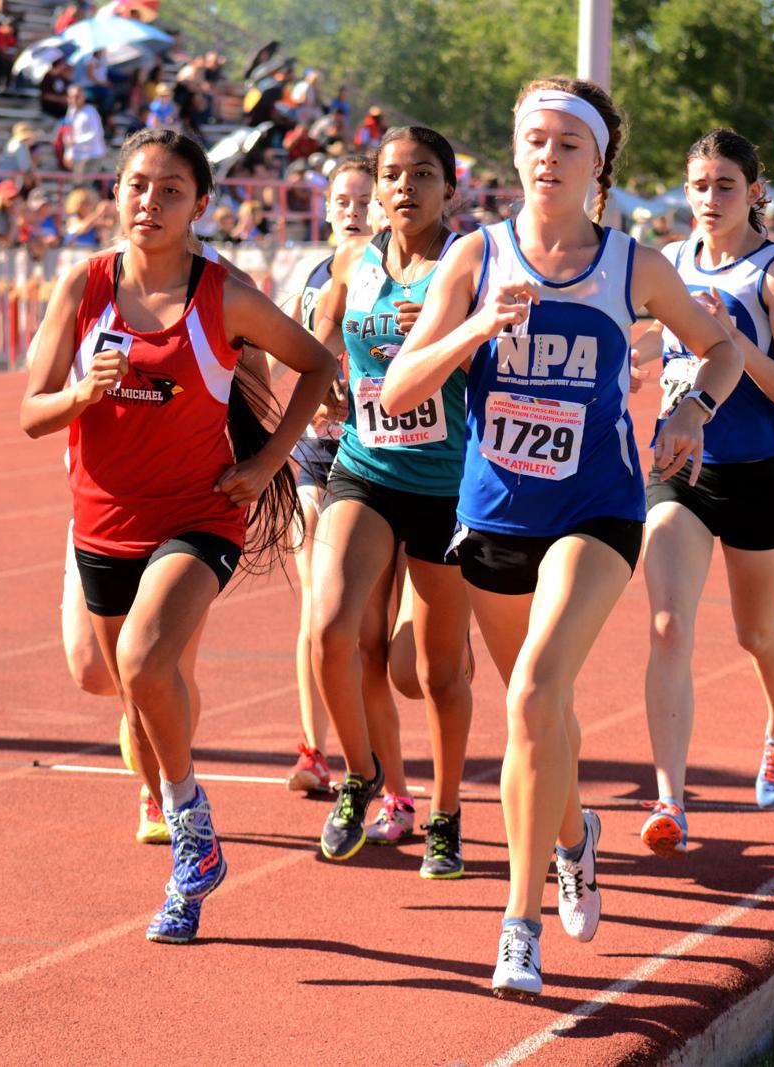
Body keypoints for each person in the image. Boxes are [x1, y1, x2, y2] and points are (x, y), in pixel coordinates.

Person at [381, 76, 742, 999]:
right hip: (496, 513)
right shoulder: (475, 255)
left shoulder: (635, 265)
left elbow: (724, 346)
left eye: (567, 145)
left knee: (536, 690)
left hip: (598, 509)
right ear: (516, 153)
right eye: (534, 142)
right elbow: (398, 392)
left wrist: (694, 409)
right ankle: (576, 833)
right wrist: (474, 329)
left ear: (598, 164)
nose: (547, 158)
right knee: (544, 717)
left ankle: (518, 926)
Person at [20, 127, 336, 944]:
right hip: (101, 521)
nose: (148, 203)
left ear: (201, 204)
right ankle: (169, 780)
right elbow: (30, 413)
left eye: (168, 190)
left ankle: (190, 832)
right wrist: (84, 395)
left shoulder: (221, 294)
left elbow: (317, 364)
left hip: (199, 515)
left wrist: (269, 461)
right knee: (107, 678)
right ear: (114, 194)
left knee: (144, 662)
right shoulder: (82, 287)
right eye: (135, 186)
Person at [632, 128, 774, 857]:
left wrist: (730, 338)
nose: (710, 199)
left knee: (754, 632)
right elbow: (656, 343)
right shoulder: (667, 262)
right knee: (669, 624)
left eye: (726, 186)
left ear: (754, 191)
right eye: (700, 184)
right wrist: (634, 354)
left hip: (757, 474)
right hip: (678, 466)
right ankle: (669, 798)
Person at [311, 126, 474, 879]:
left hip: (446, 488)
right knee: (334, 632)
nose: (405, 187)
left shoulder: (467, 264)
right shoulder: (353, 261)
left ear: (451, 189)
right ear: (375, 190)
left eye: (422, 174)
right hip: (365, 467)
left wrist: (445, 334)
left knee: (440, 673)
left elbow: (506, 349)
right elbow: (319, 348)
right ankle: (360, 774)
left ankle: (444, 815)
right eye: (392, 175)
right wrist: (326, 392)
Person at [281, 154, 376, 795]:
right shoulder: (310, 276)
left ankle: (368, 746)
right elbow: (282, 347)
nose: (351, 210)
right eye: (341, 199)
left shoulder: (394, 274)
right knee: (314, 602)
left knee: (367, 622)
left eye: (363, 199)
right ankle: (312, 748)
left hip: (378, 455)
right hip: (315, 454)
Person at [63, 85, 107, 176]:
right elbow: (70, 133)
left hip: (92, 155)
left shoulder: (91, 112)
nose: (74, 100)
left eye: (77, 96)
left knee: (87, 187)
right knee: (77, 186)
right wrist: (68, 153)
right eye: (71, 97)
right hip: (78, 156)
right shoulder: (71, 112)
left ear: (83, 97)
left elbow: (95, 135)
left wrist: (75, 141)